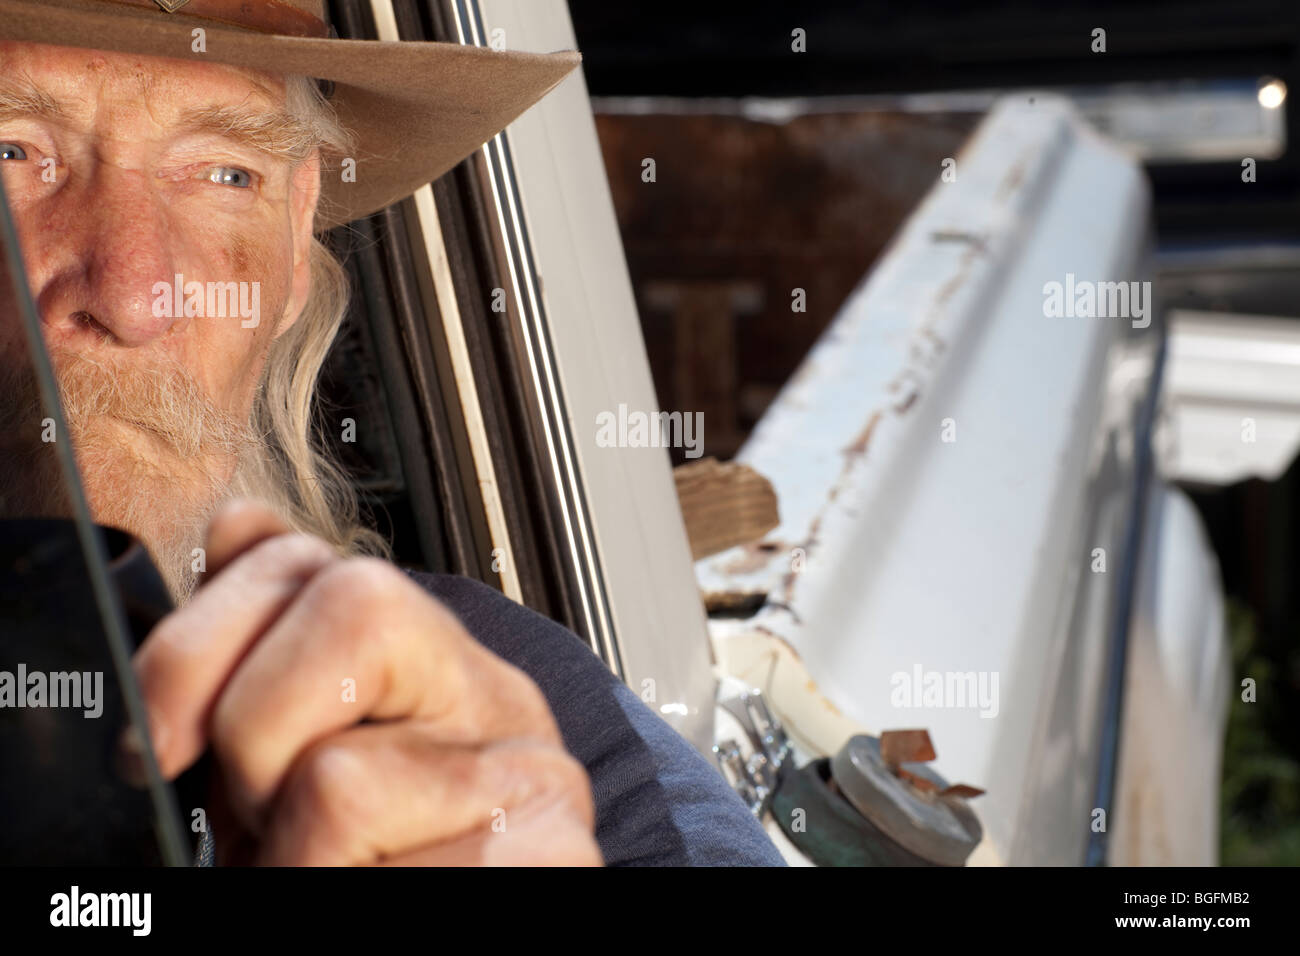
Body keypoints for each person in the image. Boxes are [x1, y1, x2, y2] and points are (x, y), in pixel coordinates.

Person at [0, 0, 783, 866]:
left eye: (225, 173)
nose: (134, 295)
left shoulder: (501, 718)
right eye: (12, 152)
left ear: (296, 244)